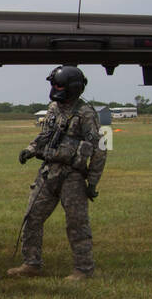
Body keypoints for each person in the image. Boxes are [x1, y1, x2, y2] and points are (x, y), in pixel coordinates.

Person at [9, 66, 107, 279]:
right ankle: (31, 263)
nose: (54, 89)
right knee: (32, 217)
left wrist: (92, 182)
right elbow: (45, 135)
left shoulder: (86, 113)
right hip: (48, 172)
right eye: (53, 85)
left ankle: (83, 269)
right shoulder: (53, 108)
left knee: (76, 223)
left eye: (58, 85)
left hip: (72, 176)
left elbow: (100, 149)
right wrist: (30, 150)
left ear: (72, 88)